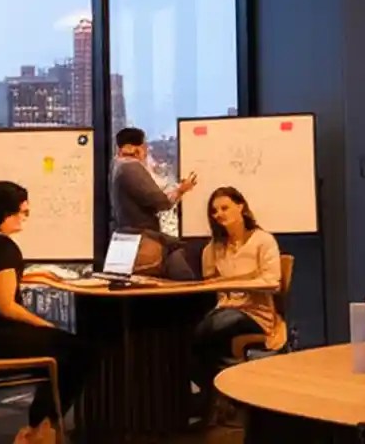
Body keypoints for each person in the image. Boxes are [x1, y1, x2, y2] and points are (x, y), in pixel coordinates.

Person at [0, 181, 88, 444]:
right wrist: (44, 325)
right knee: (80, 350)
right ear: (4, 214)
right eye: (22, 211)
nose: (25, 216)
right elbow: (7, 306)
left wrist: (35, 276)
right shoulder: (4, 249)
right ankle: (39, 427)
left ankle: (45, 426)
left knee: (68, 348)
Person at [190, 187, 284, 418]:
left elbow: (272, 282)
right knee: (200, 330)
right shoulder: (213, 248)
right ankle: (220, 392)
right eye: (214, 211)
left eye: (225, 207)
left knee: (208, 330)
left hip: (256, 314)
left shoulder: (263, 240)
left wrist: (236, 282)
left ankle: (211, 396)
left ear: (240, 206)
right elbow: (209, 285)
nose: (219, 214)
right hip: (225, 309)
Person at [109, 127, 198, 280]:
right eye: (144, 146)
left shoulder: (116, 166)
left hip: (125, 239)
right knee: (184, 249)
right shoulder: (131, 167)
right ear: (136, 148)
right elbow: (159, 201)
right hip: (141, 237)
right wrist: (181, 190)